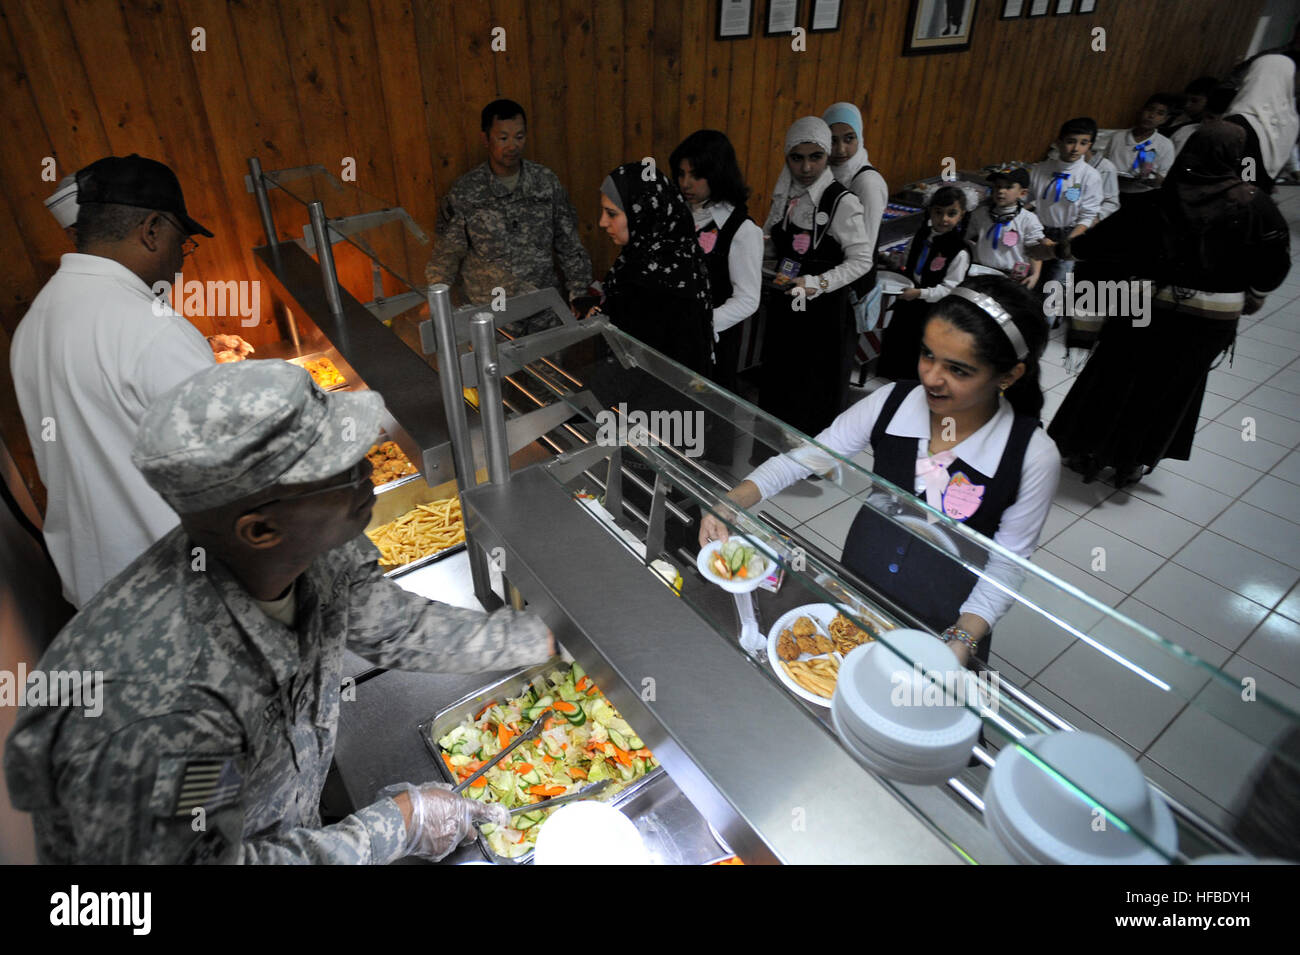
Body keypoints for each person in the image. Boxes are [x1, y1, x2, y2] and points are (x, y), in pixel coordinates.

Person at [3, 360, 554, 863]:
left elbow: (395, 625)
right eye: (342, 472)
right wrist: (397, 827)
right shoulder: (171, 705)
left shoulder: (310, 550)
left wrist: (540, 638)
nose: (370, 472)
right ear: (260, 528)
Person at [701, 275, 1058, 666]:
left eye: (958, 370)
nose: (931, 378)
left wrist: (960, 639)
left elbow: (1006, 568)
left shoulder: (1031, 456)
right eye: (927, 355)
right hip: (859, 589)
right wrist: (731, 501)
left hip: (945, 620)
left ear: (1008, 376)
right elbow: (806, 457)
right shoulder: (892, 402)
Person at [10, 154, 215, 608]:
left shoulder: (34, 323)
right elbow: (231, 474)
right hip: (179, 600)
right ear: (153, 229)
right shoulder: (153, 327)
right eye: (182, 243)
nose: (180, 262)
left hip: (98, 600)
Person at [1046, 122, 1291, 488]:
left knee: (1116, 376)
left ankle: (1087, 449)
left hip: (1144, 308)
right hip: (1209, 320)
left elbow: (1101, 243)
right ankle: (1133, 460)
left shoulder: (1158, 200)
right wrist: (1255, 292)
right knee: (1169, 388)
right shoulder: (1254, 204)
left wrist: (1064, 249)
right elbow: (1275, 261)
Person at [759, 117, 873, 439]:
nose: (806, 167)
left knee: (814, 386)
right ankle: (771, 450)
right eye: (797, 157)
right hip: (786, 306)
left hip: (823, 315)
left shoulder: (843, 202)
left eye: (815, 157)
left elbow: (862, 259)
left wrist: (817, 283)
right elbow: (774, 245)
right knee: (781, 378)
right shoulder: (784, 196)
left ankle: (808, 462)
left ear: (826, 158)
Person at [425, 99, 593, 311]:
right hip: (491, 316)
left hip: (542, 310)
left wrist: (579, 293)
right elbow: (445, 255)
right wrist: (435, 301)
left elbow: (570, 245)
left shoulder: (545, 182)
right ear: (485, 139)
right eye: (503, 138)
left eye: (519, 137)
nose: (512, 146)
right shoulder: (466, 192)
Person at [593, 162, 713, 375]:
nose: (602, 222)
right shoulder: (662, 256)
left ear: (644, 213)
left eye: (611, 213)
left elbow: (637, 368)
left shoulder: (650, 283)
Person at [669, 129, 763, 392]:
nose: (685, 183)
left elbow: (748, 299)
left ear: (717, 174)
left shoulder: (741, 230)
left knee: (702, 420)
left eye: (696, 175)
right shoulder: (678, 215)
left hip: (712, 343)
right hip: (673, 337)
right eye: (681, 174)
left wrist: (702, 325)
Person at [877, 184, 974, 380]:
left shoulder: (959, 250)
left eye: (951, 213)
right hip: (908, 301)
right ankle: (890, 376)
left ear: (961, 215)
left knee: (919, 346)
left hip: (931, 310)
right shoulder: (921, 235)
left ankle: (910, 383)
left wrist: (921, 293)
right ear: (930, 211)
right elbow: (907, 262)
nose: (944, 219)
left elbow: (951, 289)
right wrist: (892, 261)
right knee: (898, 339)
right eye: (938, 212)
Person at [823, 102, 889, 335]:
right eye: (832, 140)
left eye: (849, 139)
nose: (840, 149)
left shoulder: (866, 183)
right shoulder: (825, 173)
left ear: (859, 138)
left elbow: (863, 254)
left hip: (847, 288)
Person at [1028, 118, 1104, 291]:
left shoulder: (1090, 176)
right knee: (1030, 281)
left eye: (1083, 143)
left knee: (1055, 287)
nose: (1076, 149)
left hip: (1068, 234)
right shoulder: (1040, 169)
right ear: (1058, 142)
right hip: (1038, 232)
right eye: (1070, 142)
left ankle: (1051, 318)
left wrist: (1065, 245)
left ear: (1089, 145)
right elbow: (1029, 201)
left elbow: (1088, 216)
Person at [1224, 54, 1300, 194]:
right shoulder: (1290, 121)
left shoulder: (1240, 120)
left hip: (1234, 197)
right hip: (1259, 196)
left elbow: (1246, 168)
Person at [965, 167, 1045, 290]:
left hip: (1012, 277)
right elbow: (966, 237)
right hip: (982, 272)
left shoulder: (1028, 219)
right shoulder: (980, 214)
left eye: (1008, 187)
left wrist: (1035, 274)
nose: (1001, 191)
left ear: (1022, 193)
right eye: (997, 186)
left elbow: (1035, 249)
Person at [1101, 94, 1178, 200]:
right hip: (1110, 191)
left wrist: (1148, 177)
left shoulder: (1165, 145)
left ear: (1165, 119)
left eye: (1160, 113)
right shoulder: (1118, 137)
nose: (1151, 116)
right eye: (1150, 110)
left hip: (1141, 195)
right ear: (1141, 111)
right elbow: (1104, 164)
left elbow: (1161, 181)